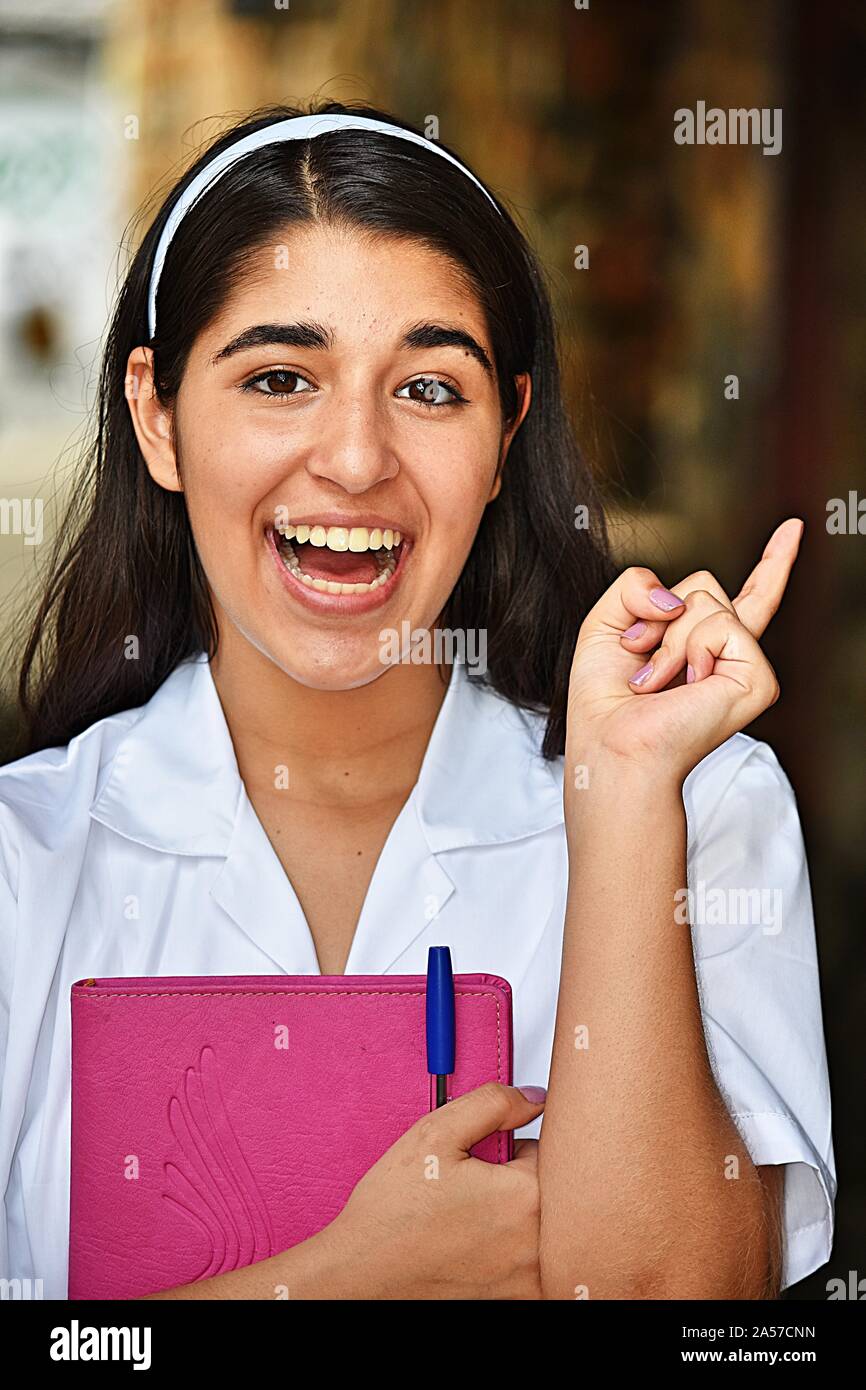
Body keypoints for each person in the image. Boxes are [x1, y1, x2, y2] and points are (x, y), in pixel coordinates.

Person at [0, 102, 834, 1300]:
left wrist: (622, 803)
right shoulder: (22, 863)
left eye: (430, 389)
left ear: (506, 436)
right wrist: (343, 1278)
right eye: (281, 376)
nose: (352, 458)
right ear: (157, 415)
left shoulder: (704, 811)